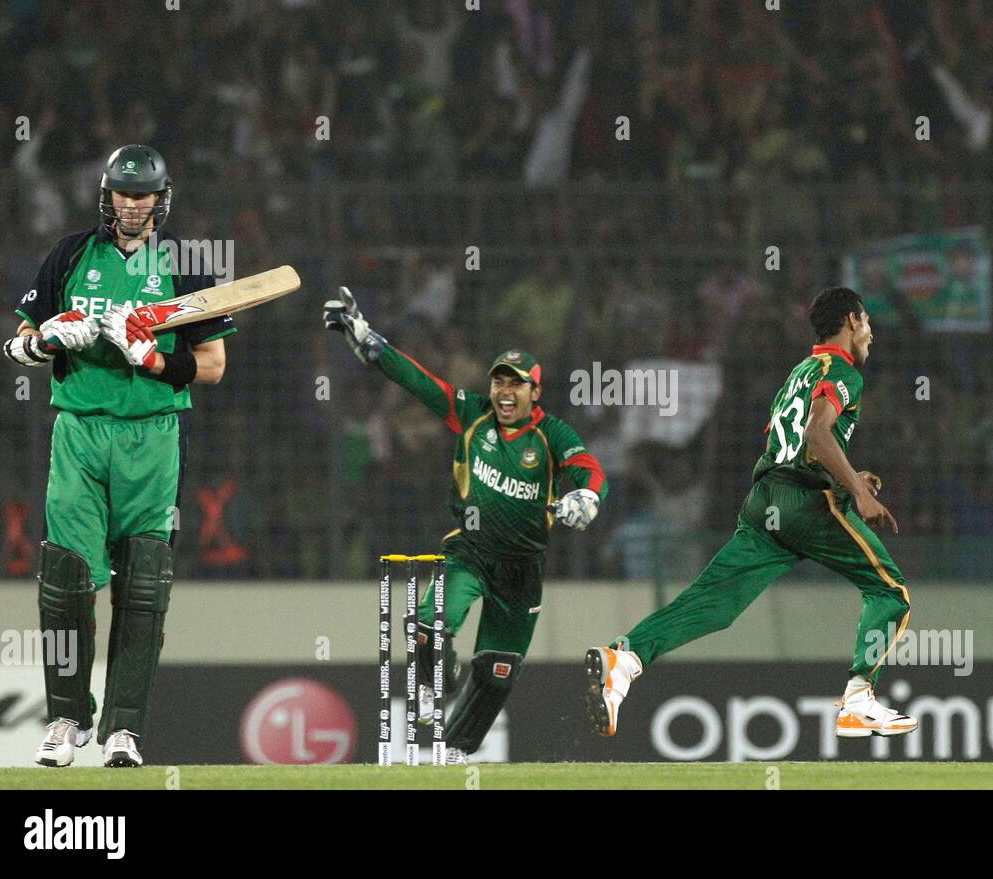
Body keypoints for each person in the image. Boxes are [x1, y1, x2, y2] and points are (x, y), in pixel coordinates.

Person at [586, 288, 917, 740]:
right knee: (890, 592)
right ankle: (859, 701)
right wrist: (857, 492)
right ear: (854, 321)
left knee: (714, 603)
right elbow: (817, 436)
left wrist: (849, 476)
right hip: (804, 503)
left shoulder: (800, 371)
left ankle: (624, 659)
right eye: (869, 324)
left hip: (765, 501)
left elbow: (798, 441)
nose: (872, 335)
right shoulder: (843, 372)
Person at [5, 144, 235, 767]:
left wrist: (152, 358)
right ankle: (64, 721)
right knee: (65, 578)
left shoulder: (185, 264)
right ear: (106, 196)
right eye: (123, 195)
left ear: (162, 199)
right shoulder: (71, 254)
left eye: (145, 196)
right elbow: (19, 342)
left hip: (152, 433)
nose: (133, 206)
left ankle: (123, 730)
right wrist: (50, 337)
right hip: (80, 428)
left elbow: (212, 366)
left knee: (143, 583)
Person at [323, 287, 607, 763]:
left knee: (498, 673)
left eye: (515, 384)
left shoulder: (553, 434)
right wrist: (371, 343)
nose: (504, 392)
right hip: (470, 553)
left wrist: (587, 496)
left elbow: (588, 468)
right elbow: (420, 383)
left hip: (522, 570)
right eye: (499, 382)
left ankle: (454, 752)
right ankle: (441, 677)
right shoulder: (473, 414)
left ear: (535, 392)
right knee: (428, 628)